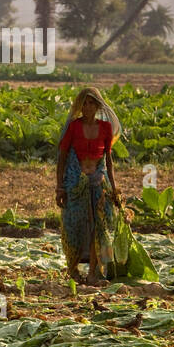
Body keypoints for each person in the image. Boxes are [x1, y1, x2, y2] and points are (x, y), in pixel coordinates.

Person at [55, 86, 123, 284]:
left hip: (98, 184)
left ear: (98, 106)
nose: (88, 107)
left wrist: (114, 187)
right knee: (75, 225)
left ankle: (93, 272)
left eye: (91, 103)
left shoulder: (105, 128)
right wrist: (60, 187)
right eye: (84, 103)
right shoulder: (74, 127)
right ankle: (74, 270)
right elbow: (63, 158)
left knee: (98, 226)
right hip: (75, 183)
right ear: (80, 106)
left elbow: (108, 161)